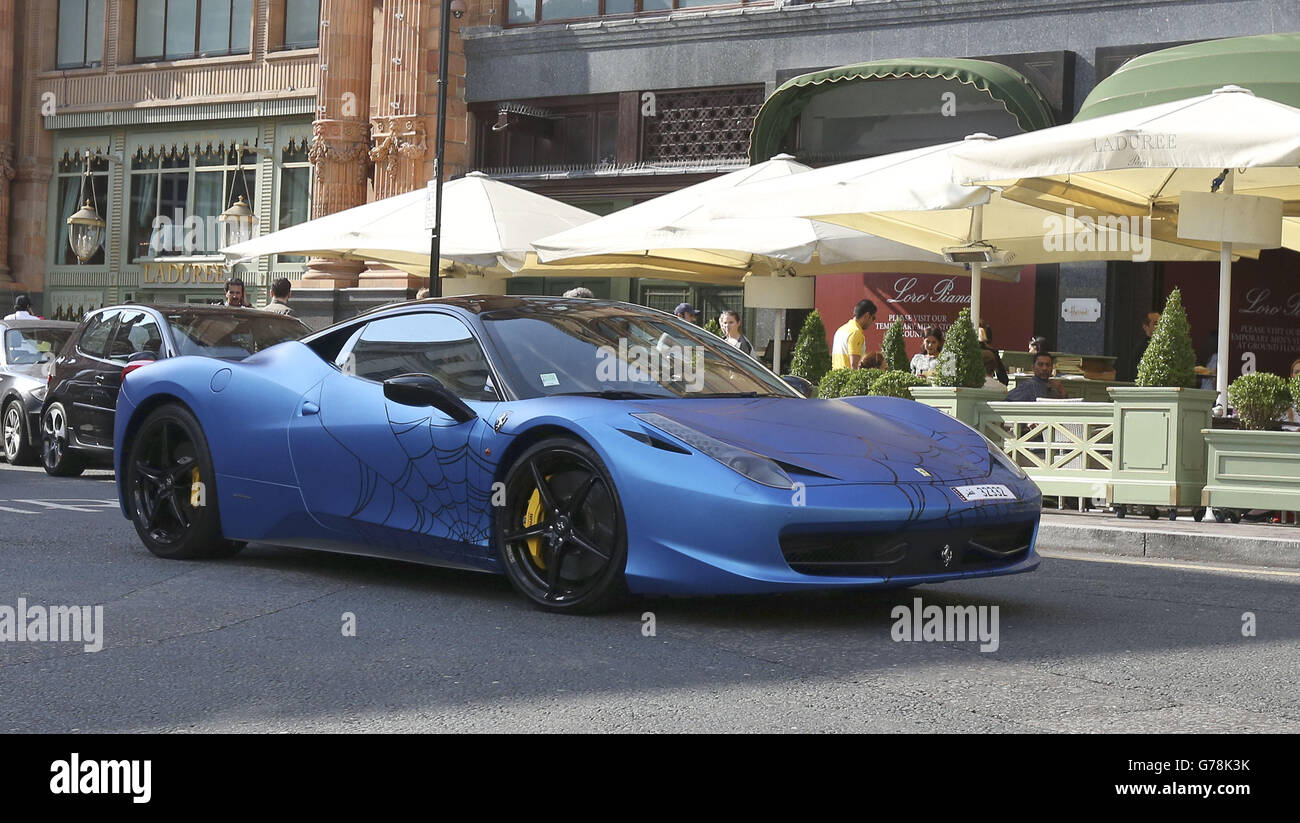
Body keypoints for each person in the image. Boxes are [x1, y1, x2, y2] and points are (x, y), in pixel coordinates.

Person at [831, 299, 877, 369]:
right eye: (873, 318)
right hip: (848, 378)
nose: (872, 321)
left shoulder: (840, 330)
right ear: (867, 315)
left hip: (836, 377)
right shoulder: (856, 332)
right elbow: (854, 365)